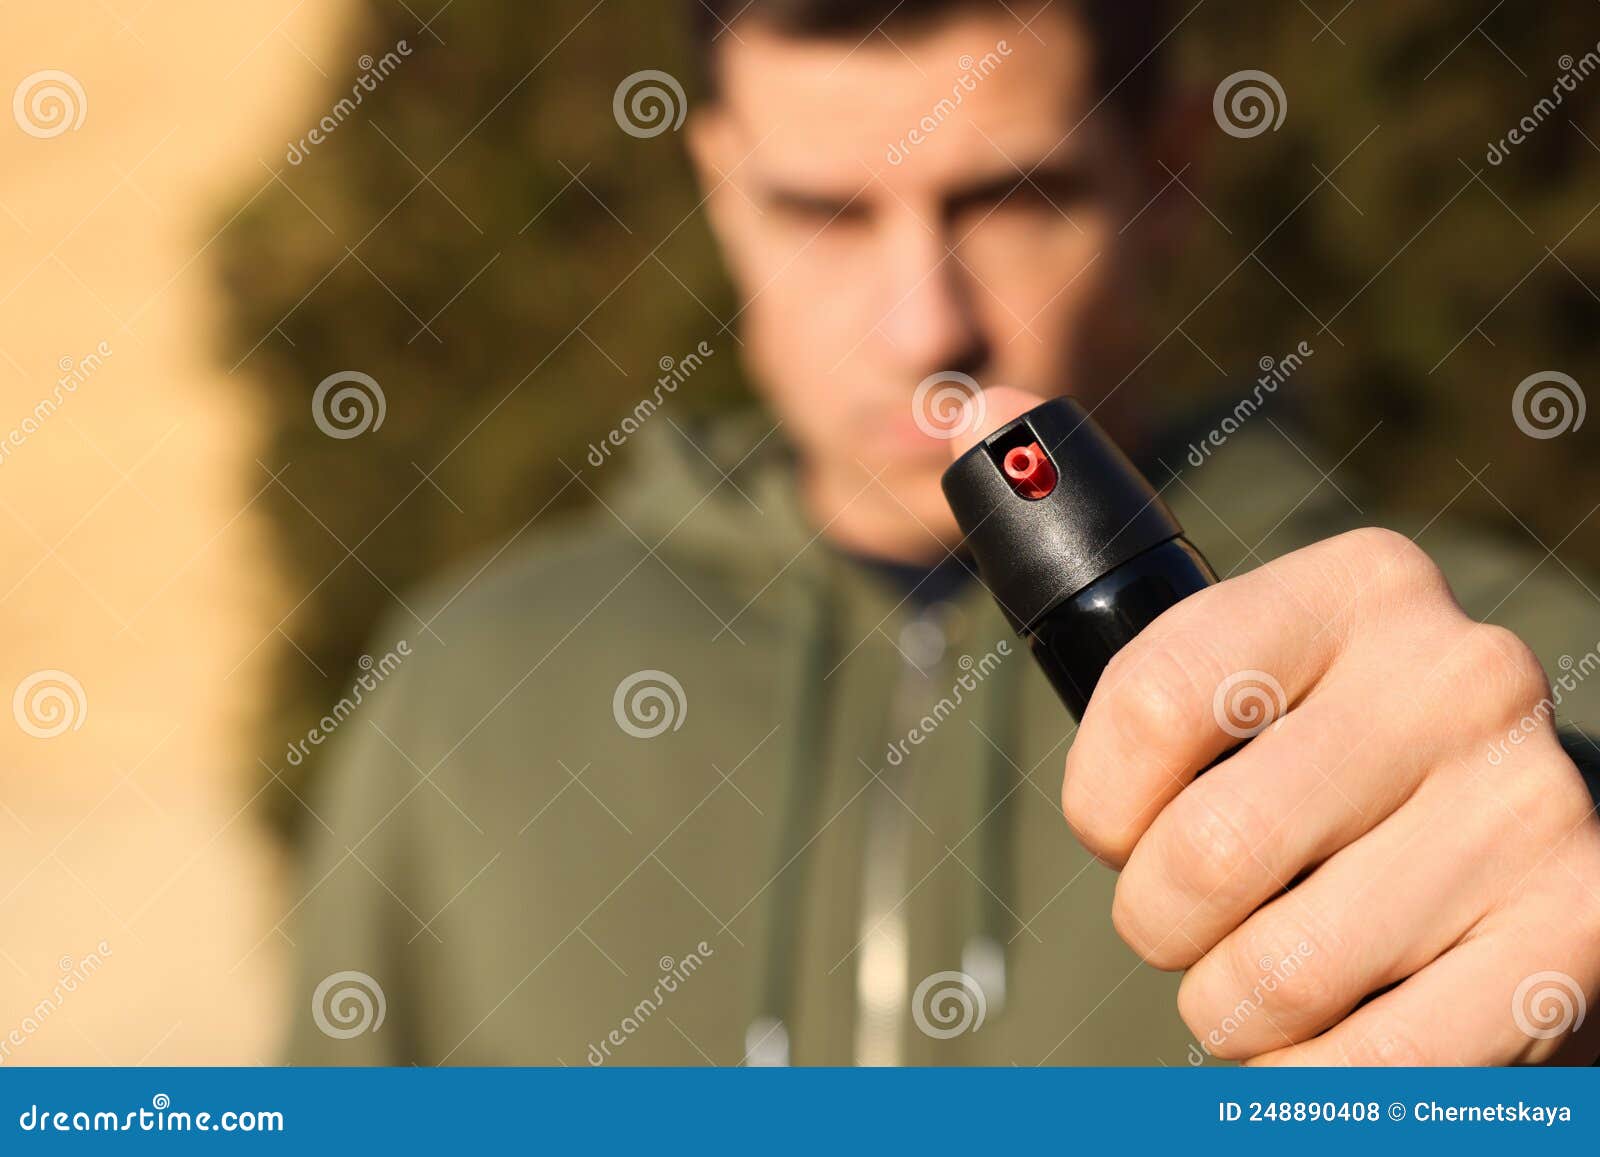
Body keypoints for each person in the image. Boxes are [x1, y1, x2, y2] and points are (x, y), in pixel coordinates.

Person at [287, 0, 1600, 1065]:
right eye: (826, 212)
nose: (927, 326)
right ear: (723, 192)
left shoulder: (1506, 673)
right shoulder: (464, 688)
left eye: (1012, 199)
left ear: (1167, 179)